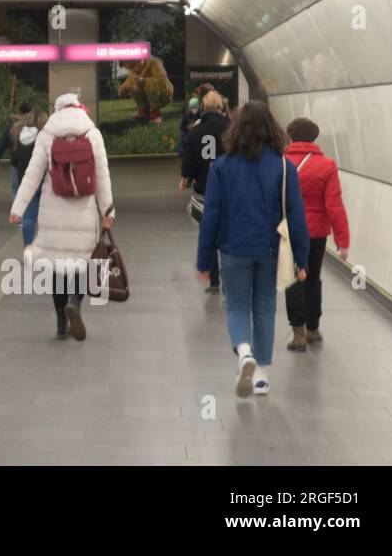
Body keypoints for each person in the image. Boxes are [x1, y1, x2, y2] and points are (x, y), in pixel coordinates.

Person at [196, 101, 309, 398]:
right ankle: (260, 375)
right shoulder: (285, 167)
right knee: (264, 307)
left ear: (237, 129)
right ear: (272, 128)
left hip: (233, 249)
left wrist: (204, 259)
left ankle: (244, 352)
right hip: (270, 250)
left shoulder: (221, 167)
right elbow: (296, 216)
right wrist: (301, 259)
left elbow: (211, 216)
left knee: (236, 305)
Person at [10, 92, 114, 341]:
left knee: (57, 270)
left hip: (52, 212)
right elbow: (102, 176)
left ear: (57, 110)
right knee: (81, 266)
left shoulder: (47, 135)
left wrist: (18, 209)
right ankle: (75, 305)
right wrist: (108, 210)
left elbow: (32, 175)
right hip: (83, 212)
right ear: (79, 107)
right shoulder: (92, 134)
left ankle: (60, 323)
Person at [283, 118, 351, 350]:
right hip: (316, 232)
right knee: (313, 279)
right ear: (314, 137)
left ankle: (298, 334)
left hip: (290, 231)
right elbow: (334, 205)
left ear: (290, 137)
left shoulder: (282, 162)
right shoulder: (327, 165)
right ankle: (313, 329)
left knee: (293, 278)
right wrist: (343, 241)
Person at [181, 91, 231, 294]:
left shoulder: (195, 131)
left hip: (204, 188)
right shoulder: (230, 129)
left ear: (203, 106)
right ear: (221, 107)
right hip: (228, 188)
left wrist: (186, 176)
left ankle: (214, 281)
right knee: (228, 233)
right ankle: (229, 280)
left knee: (208, 231)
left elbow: (189, 161)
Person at [8, 104, 48, 245]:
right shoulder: (45, 136)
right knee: (48, 216)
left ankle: (28, 248)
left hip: (24, 179)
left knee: (29, 216)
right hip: (43, 179)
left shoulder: (18, 133)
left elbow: (15, 156)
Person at [118, 56, 174, 123]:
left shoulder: (154, 63)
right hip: (149, 95)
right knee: (133, 87)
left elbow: (164, 82)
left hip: (164, 94)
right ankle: (143, 112)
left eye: (132, 67)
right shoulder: (134, 71)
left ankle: (156, 114)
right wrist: (122, 89)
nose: (132, 70)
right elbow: (129, 82)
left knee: (147, 84)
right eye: (130, 68)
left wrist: (144, 81)